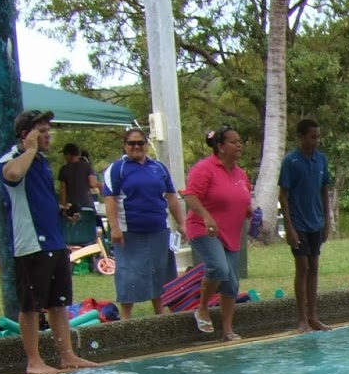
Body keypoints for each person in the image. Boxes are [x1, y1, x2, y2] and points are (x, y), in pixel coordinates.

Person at [0, 109, 100, 374]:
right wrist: (29, 150)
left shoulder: (42, 162)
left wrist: (63, 210)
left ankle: (67, 355)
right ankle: (34, 361)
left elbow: (41, 198)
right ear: (25, 135)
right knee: (30, 305)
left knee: (59, 301)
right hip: (31, 244)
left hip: (54, 241)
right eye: (40, 131)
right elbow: (11, 175)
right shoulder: (14, 158)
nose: (47, 136)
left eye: (47, 131)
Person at [102, 128, 184, 319]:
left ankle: (159, 314)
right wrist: (115, 228)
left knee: (159, 273)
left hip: (158, 229)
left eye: (141, 143)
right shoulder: (117, 168)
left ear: (146, 145)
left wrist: (182, 223)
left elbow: (171, 196)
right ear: (125, 146)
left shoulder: (159, 168)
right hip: (129, 231)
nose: (136, 147)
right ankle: (126, 318)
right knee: (128, 275)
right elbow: (110, 199)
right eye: (132, 143)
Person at [183, 125, 253, 340]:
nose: (238, 145)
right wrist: (206, 216)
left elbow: (243, 201)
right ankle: (202, 307)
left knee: (232, 281)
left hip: (231, 233)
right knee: (219, 268)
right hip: (204, 229)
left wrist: (252, 214)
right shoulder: (204, 169)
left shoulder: (241, 174)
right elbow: (190, 195)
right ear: (221, 146)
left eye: (239, 141)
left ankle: (227, 329)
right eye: (233, 141)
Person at [279, 117, 333, 333]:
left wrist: (327, 221)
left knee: (314, 268)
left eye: (318, 137)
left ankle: (313, 316)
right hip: (298, 221)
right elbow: (283, 195)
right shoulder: (290, 162)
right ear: (301, 137)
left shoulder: (321, 160)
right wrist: (289, 227)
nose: (316, 141)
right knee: (303, 267)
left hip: (316, 221)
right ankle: (301, 317)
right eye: (312, 137)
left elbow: (324, 191)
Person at [57, 142, 100, 226]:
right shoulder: (87, 166)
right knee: (90, 230)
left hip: (72, 207)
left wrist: (64, 206)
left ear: (68, 154)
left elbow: (63, 190)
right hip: (88, 205)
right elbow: (93, 184)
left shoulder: (64, 169)